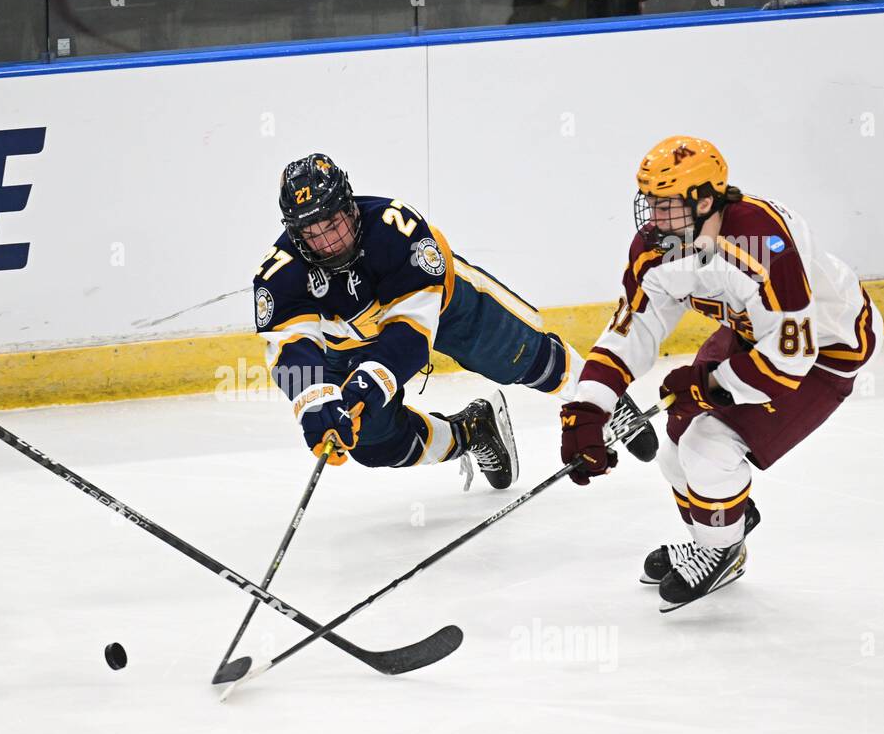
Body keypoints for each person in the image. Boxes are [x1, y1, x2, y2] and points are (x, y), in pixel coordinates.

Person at [559, 136, 882, 610]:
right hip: (753, 335)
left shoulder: (764, 242)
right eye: (649, 202)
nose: (653, 218)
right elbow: (632, 331)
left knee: (708, 448)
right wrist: (587, 406)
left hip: (826, 352)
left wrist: (711, 387)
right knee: (675, 444)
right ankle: (719, 527)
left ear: (706, 201)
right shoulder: (657, 247)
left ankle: (722, 550)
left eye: (665, 205)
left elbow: (790, 357)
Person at [256, 153, 657, 487]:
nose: (329, 241)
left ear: (349, 207)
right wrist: (314, 403)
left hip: (443, 307)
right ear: (294, 232)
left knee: (521, 356)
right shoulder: (282, 274)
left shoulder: (396, 230)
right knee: (374, 444)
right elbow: (291, 350)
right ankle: (474, 431)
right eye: (312, 232)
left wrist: (366, 384)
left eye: (333, 223)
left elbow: (410, 337)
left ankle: (600, 399)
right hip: (350, 346)